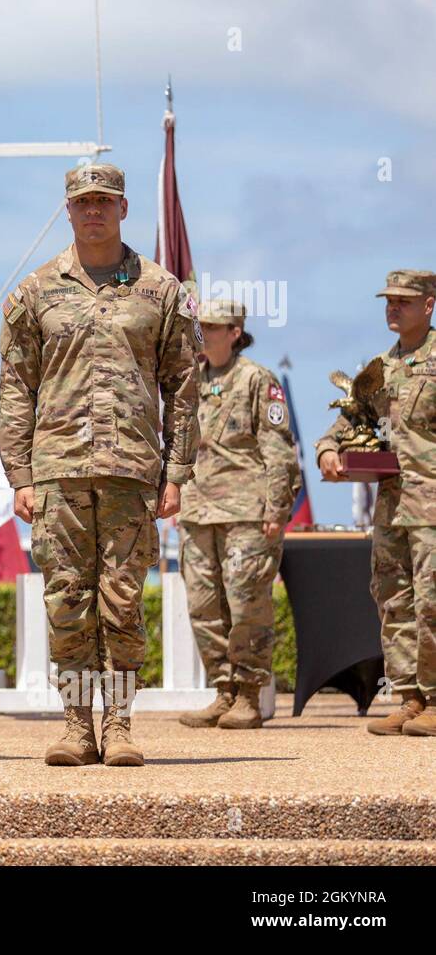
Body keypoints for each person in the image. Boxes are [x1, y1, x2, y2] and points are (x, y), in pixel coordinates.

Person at [0, 163, 199, 767]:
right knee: (66, 599)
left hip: (132, 470)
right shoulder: (35, 292)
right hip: (57, 470)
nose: (94, 212)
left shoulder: (161, 290)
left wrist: (176, 473)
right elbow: (16, 389)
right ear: (67, 209)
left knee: (122, 597)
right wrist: (20, 474)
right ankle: (76, 725)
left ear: (124, 208)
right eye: (83, 202)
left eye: (105, 202)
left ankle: (120, 725)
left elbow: (182, 385)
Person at [316, 269, 436, 737]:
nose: (393, 307)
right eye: (388, 300)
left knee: (432, 602)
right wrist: (329, 449)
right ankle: (410, 696)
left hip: (432, 507)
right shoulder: (377, 370)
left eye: (403, 301)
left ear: (428, 305)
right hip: (391, 509)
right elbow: (350, 421)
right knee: (394, 601)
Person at [176, 299, 300, 730]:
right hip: (197, 510)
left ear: (235, 332)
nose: (204, 334)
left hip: (248, 510)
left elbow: (279, 450)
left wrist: (277, 507)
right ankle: (223, 690)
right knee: (203, 606)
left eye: (212, 327)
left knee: (247, 602)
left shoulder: (257, 380)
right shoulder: (191, 380)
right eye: (200, 327)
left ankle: (248, 693)